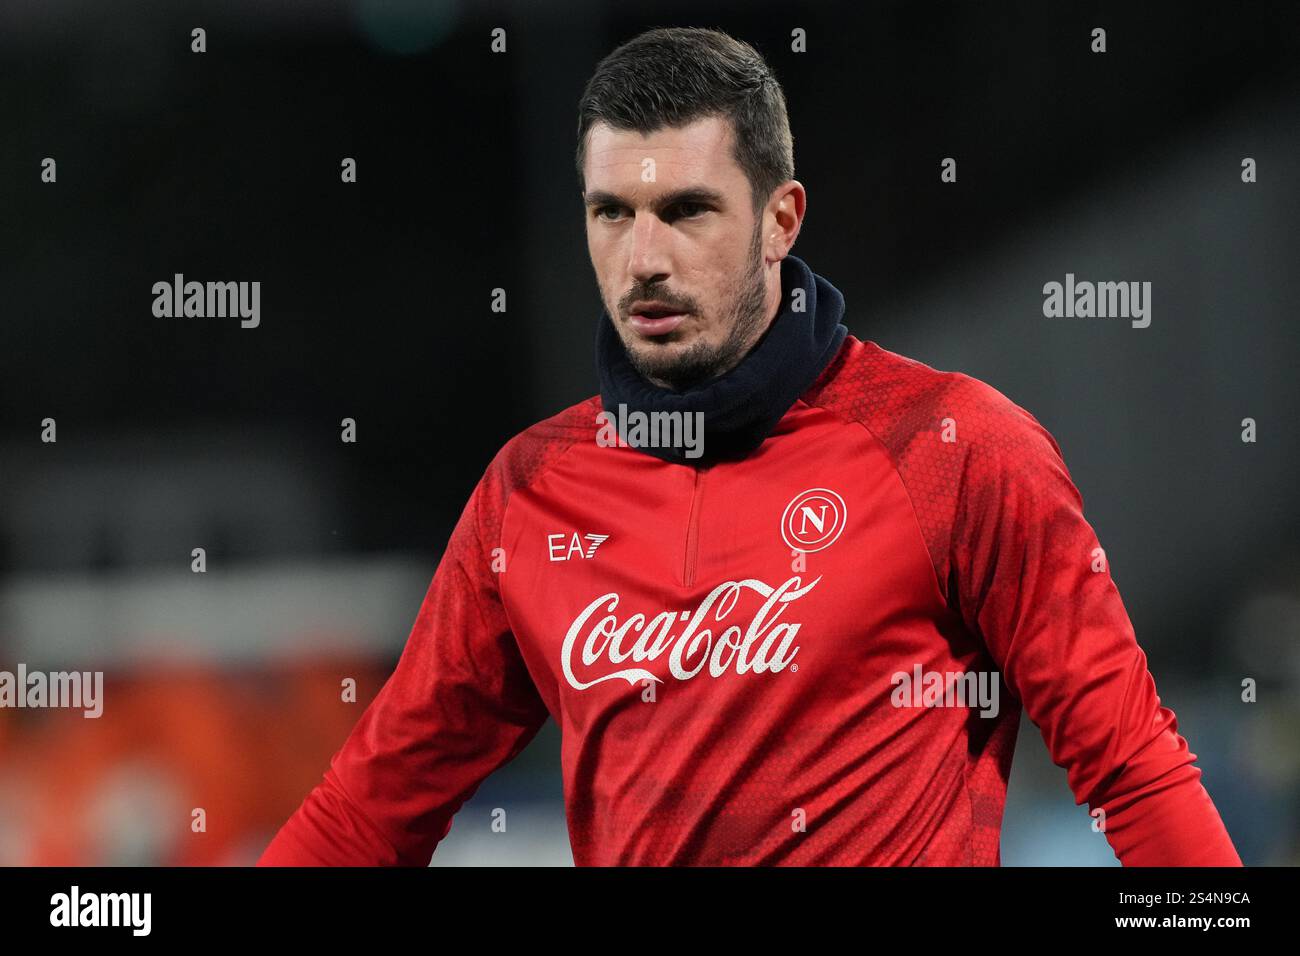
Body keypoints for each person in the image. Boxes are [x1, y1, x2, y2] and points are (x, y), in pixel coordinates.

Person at [259, 26, 1241, 866]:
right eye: (612, 213)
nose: (644, 257)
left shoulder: (955, 448)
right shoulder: (530, 492)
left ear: (780, 220)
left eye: (686, 210)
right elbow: (367, 811)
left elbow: (1131, 763)